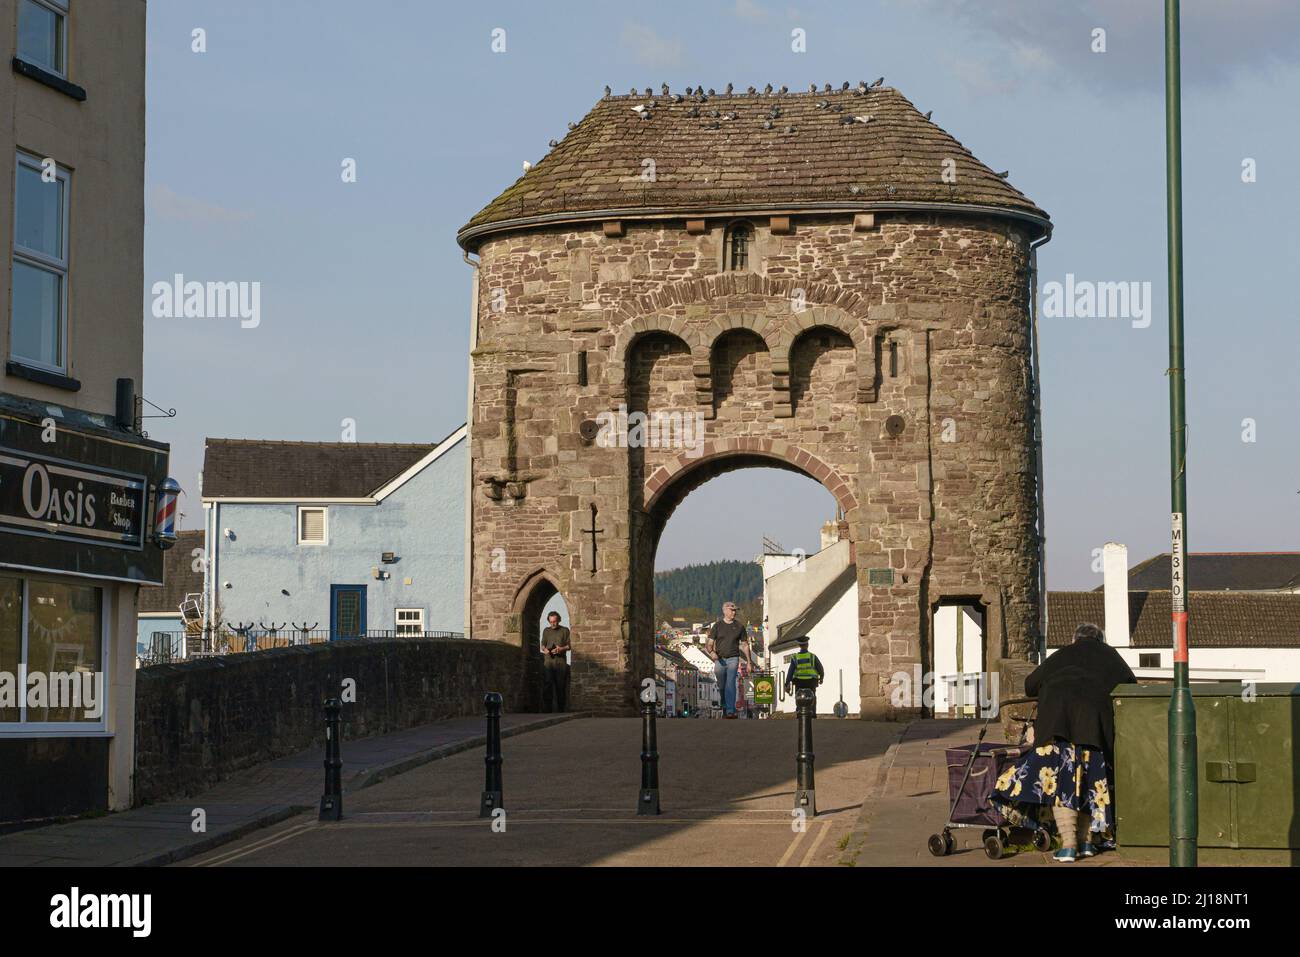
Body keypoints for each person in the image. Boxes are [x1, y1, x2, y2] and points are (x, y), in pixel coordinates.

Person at [991, 622, 1136, 862]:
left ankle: (1069, 845)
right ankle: (1087, 842)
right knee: (1089, 784)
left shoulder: (1063, 653)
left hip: (1056, 728)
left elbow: (1030, 685)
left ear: (1074, 639)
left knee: (1062, 785)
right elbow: (1131, 687)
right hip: (1094, 731)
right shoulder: (1110, 655)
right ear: (1100, 640)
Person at [706, 602, 751, 719]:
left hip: (733, 658)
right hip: (719, 659)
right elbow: (709, 643)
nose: (734, 612)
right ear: (724, 611)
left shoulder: (740, 627)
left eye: (735, 610)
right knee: (721, 686)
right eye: (732, 610)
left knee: (730, 683)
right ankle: (725, 705)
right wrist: (712, 653)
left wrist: (749, 662)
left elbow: (745, 645)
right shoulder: (717, 626)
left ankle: (730, 710)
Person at [540, 611, 572, 713]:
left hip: (560, 662)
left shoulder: (565, 630)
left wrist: (561, 649)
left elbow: (570, 646)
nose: (553, 624)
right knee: (547, 684)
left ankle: (561, 710)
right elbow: (542, 645)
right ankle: (547, 710)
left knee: (560, 685)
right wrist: (545, 649)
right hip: (548, 661)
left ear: (558, 620)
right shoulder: (546, 631)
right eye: (551, 622)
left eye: (555, 621)